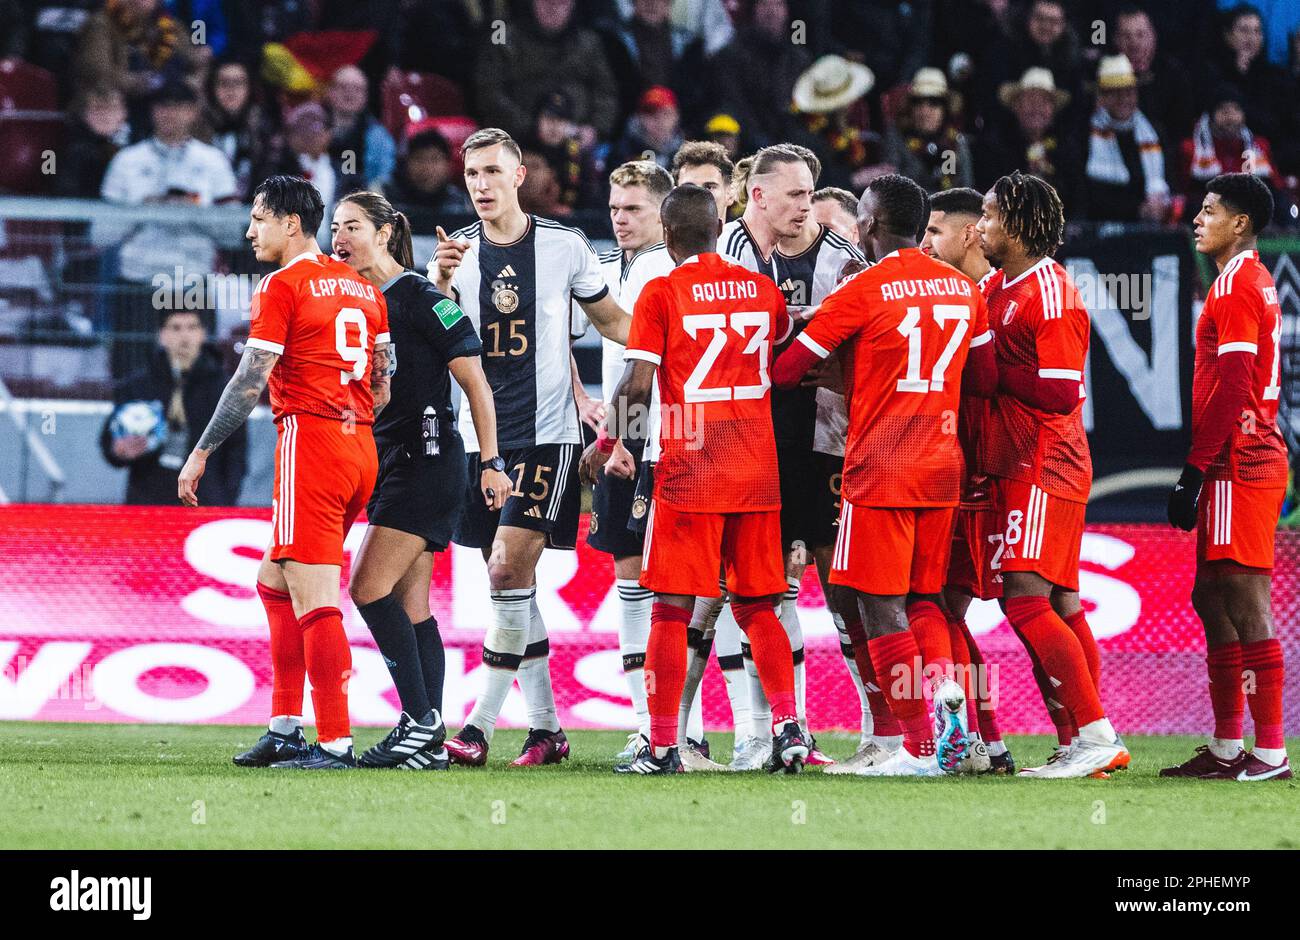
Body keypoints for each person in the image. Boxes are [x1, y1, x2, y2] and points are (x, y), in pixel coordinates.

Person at [772, 173, 997, 776]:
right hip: (943, 466)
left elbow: (791, 368)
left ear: (868, 223)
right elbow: (979, 379)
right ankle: (950, 724)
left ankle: (915, 747)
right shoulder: (962, 289)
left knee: (877, 605)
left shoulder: (865, 288)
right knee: (925, 599)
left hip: (879, 468)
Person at [429, 128, 631, 767]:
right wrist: (436, 286)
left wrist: (670, 364)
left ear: (519, 176)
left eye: (492, 172)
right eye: (471, 176)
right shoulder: (456, 255)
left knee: (505, 569)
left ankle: (478, 728)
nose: (481, 186)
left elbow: (613, 326)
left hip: (549, 437)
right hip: (479, 438)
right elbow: (436, 342)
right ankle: (547, 731)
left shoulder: (566, 247)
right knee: (514, 586)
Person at [592, 183, 807, 775]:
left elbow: (637, 384)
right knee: (759, 606)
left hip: (691, 463)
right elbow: (788, 349)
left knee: (670, 609)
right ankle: (788, 729)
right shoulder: (762, 291)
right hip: (757, 466)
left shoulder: (662, 292)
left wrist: (618, 445)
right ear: (719, 228)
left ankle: (663, 746)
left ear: (666, 235)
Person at [178, 175, 390, 771]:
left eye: (259, 219)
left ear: (291, 223)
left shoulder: (282, 285)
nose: (250, 230)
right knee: (275, 583)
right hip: (360, 447)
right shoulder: (364, 289)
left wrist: (201, 451)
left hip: (312, 444)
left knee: (316, 599)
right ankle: (284, 726)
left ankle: (336, 741)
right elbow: (383, 382)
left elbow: (250, 379)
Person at [332, 190, 509, 770]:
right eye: (335, 226)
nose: (339, 237)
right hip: (391, 465)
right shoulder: (354, 303)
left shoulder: (421, 298)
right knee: (413, 607)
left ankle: (419, 721)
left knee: (365, 588)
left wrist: (491, 461)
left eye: (352, 226)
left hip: (427, 463)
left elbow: (476, 384)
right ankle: (426, 741)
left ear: (384, 233)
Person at [975, 171, 1130, 778]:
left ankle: (1095, 733)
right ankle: (1077, 741)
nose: (981, 227)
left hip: (1045, 462)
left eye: (988, 216)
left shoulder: (1050, 291)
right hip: (1014, 462)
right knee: (1061, 603)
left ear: (1015, 224)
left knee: (1025, 600)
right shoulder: (998, 284)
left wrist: (992, 373)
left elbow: (1064, 392)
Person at [719, 143, 866, 768]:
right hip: (751, 447)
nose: (808, 207)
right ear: (758, 195)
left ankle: (879, 733)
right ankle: (767, 733)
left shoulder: (843, 259)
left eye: (811, 193)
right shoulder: (724, 252)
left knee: (845, 588)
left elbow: (872, 346)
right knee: (759, 588)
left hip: (828, 446)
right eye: (796, 195)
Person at [571, 160, 708, 764]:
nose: (620, 220)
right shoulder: (605, 269)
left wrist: (620, 440)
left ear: (664, 215)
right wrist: (581, 398)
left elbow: (646, 373)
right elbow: (556, 332)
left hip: (659, 448)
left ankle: (686, 728)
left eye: (633, 210)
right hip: (625, 444)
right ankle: (648, 725)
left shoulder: (665, 272)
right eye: (614, 208)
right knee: (630, 580)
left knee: (673, 592)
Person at [1162, 173, 1290, 781]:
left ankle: (1269, 753)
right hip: (1233, 459)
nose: (1197, 219)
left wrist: (1193, 469)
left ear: (1240, 223)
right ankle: (1225, 745)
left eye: (1209, 210)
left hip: (1241, 459)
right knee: (1211, 595)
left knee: (1242, 597)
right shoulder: (1243, 281)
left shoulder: (1238, 284)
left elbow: (1236, 383)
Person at [918, 185, 1016, 775]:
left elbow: (987, 385)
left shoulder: (980, 296)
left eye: (934, 232)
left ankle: (981, 739)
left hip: (970, 476)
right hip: (970, 471)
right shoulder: (982, 292)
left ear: (968, 234)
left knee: (939, 605)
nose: (924, 243)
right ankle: (989, 742)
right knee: (949, 611)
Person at [99, 308, 246, 506]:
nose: (184, 337)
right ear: (162, 335)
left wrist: (223, 502)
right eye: (176, 328)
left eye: (192, 328)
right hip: (147, 503)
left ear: (202, 334)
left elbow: (236, 453)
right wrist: (119, 451)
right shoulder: (137, 386)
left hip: (204, 503)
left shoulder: (224, 390)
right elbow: (110, 440)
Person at [1083, 54, 1171, 222]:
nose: (1123, 99)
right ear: (1101, 97)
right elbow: (1088, 194)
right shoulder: (1086, 134)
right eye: (1114, 93)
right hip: (1104, 227)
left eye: (1129, 92)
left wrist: (1160, 205)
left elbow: (1169, 180)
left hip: (1153, 226)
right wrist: (1138, 210)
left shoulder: (1154, 131)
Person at [324, 65, 397, 187]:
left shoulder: (379, 137)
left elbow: (384, 177)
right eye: (343, 87)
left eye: (357, 89)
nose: (349, 93)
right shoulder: (314, 126)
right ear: (330, 92)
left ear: (365, 96)